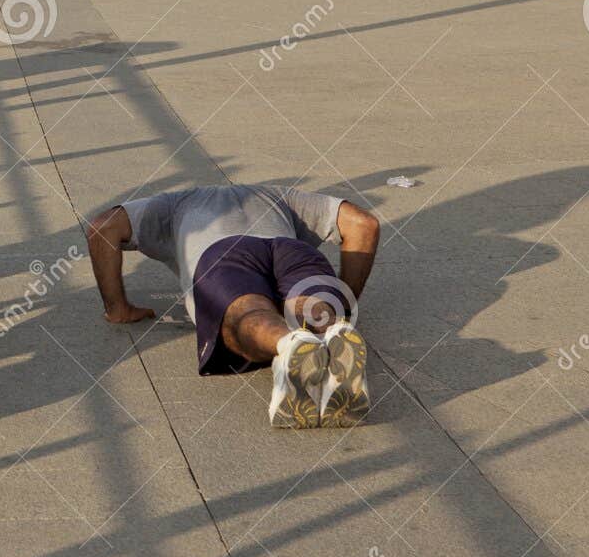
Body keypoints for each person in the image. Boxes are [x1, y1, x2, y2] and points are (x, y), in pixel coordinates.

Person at [84, 184, 380, 429]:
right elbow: (363, 224)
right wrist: (344, 304)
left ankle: (288, 344)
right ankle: (330, 333)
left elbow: (102, 228)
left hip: (224, 254)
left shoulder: (171, 204)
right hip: (292, 251)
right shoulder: (277, 194)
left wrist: (118, 308)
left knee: (249, 313)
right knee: (309, 308)